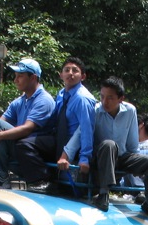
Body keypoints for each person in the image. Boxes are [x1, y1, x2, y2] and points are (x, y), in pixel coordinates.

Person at [66, 76, 148, 223]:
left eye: (110, 98)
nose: (105, 102)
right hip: (102, 158)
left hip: (122, 156)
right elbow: (80, 133)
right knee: (109, 144)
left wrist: (137, 165)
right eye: (102, 96)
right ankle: (103, 194)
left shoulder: (130, 110)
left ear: (121, 98)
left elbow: (132, 144)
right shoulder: (95, 110)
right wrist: (66, 154)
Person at [0, 58, 56, 189]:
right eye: (16, 76)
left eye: (20, 76)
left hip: (31, 152)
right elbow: (1, 121)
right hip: (18, 146)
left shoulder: (44, 100)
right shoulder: (21, 100)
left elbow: (27, 129)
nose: (15, 80)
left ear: (33, 78)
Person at [22, 57, 96, 193]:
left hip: (73, 146)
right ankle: (43, 179)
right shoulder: (62, 94)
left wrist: (85, 158)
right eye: (67, 70)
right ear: (61, 75)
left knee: (25, 145)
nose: (70, 74)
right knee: (24, 143)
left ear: (83, 76)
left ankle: (45, 181)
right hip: (58, 139)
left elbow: (86, 129)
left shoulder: (83, 98)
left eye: (75, 71)